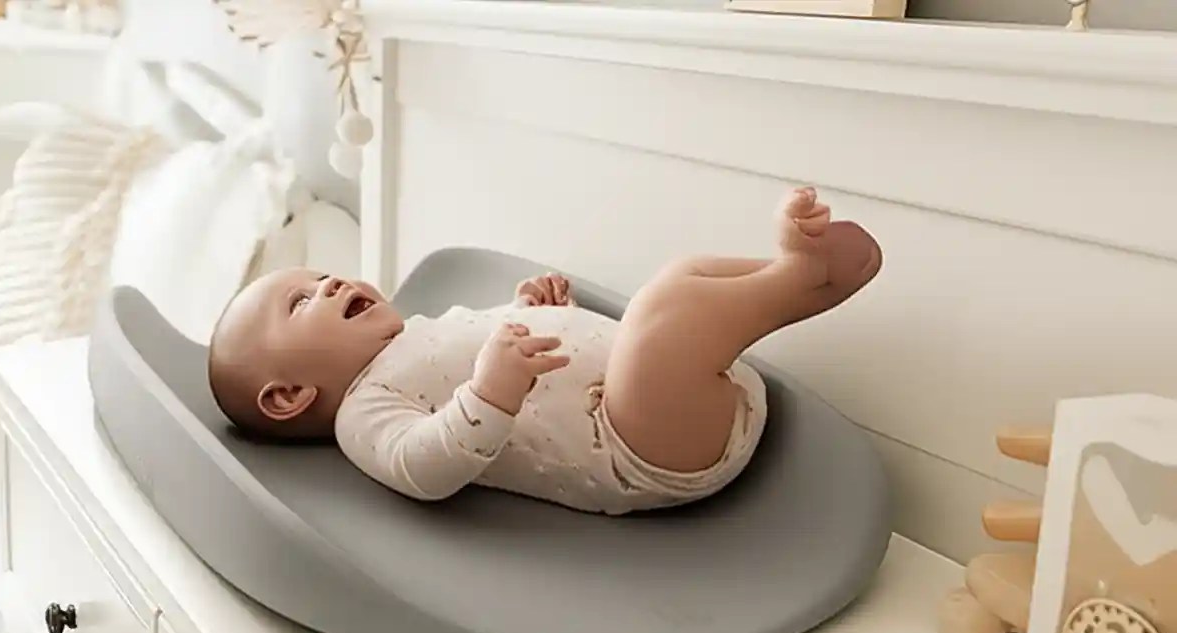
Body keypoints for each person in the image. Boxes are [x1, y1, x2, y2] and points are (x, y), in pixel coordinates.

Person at [208, 187, 881, 514]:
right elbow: (424, 467)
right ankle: (800, 282)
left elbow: (505, 348)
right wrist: (491, 390)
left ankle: (788, 270)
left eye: (319, 276)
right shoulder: (364, 413)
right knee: (659, 314)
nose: (327, 281)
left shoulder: (419, 332)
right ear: (291, 395)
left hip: (659, 393)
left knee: (677, 280)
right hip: (635, 446)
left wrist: (534, 313)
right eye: (299, 302)